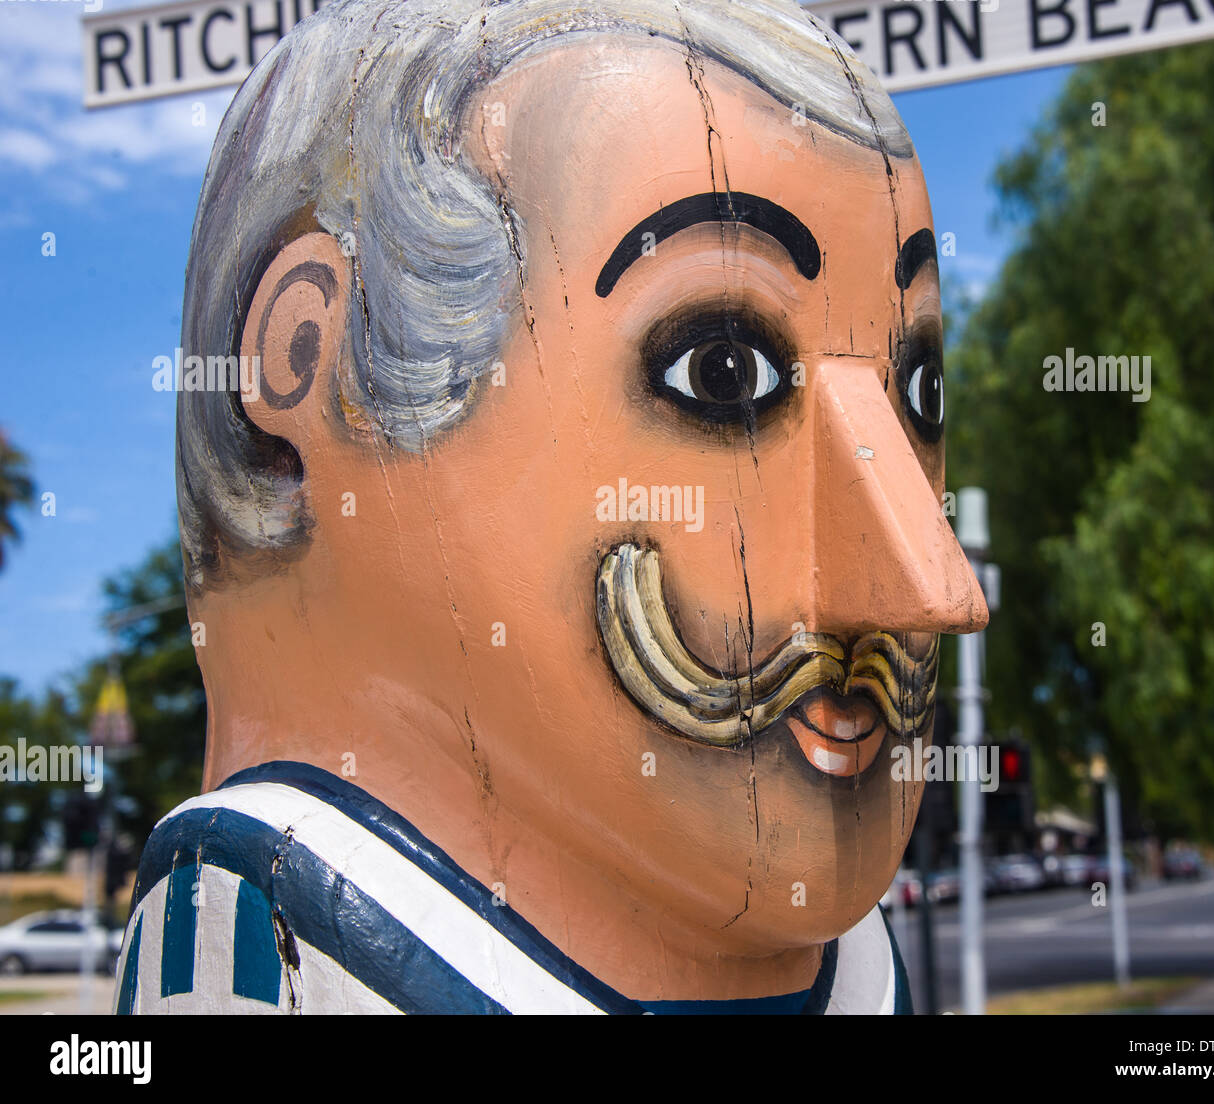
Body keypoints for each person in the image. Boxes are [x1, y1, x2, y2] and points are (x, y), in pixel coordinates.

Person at [115, 0, 988, 1015]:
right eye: (720, 372)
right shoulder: (257, 954)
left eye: (918, 388)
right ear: (310, 359)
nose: (928, 583)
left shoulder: (860, 971)